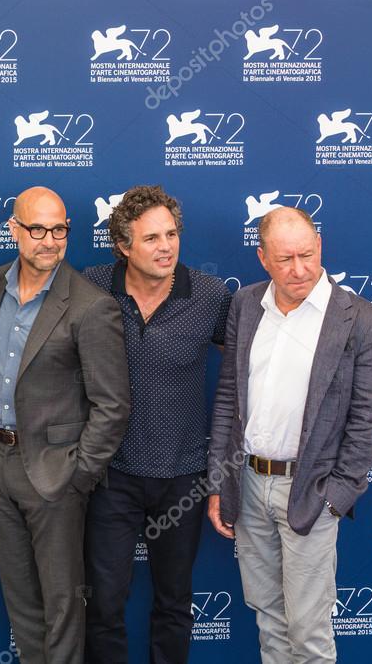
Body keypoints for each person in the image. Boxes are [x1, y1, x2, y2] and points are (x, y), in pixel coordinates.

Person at [207, 207, 372, 663]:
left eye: (307, 255)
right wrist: (219, 482)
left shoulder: (363, 321)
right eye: (285, 258)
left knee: (308, 631)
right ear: (262, 257)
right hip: (247, 485)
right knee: (269, 618)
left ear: (320, 247)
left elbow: (367, 418)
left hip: (311, 490)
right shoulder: (246, 305)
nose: (299, 269)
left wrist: (337, 496)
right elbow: (229, 397)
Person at [0, 185, 129, 664]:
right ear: (13, 229)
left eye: (59, 229)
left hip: (54, 475)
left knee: (62, 605)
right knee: (20, 599)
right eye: (37, 229)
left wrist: (77, 475)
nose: (50, 240)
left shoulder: (90, 306)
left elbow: (113, 405)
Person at [81, 185, 231, 664]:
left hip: (183, 479)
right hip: (112, 475)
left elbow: (246, 372)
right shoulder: (92, 285)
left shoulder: (209, 295)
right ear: (123, 246)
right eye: (151, 238)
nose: (166, 246)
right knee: (104, 602)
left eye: (171, 234)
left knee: (173, 602)